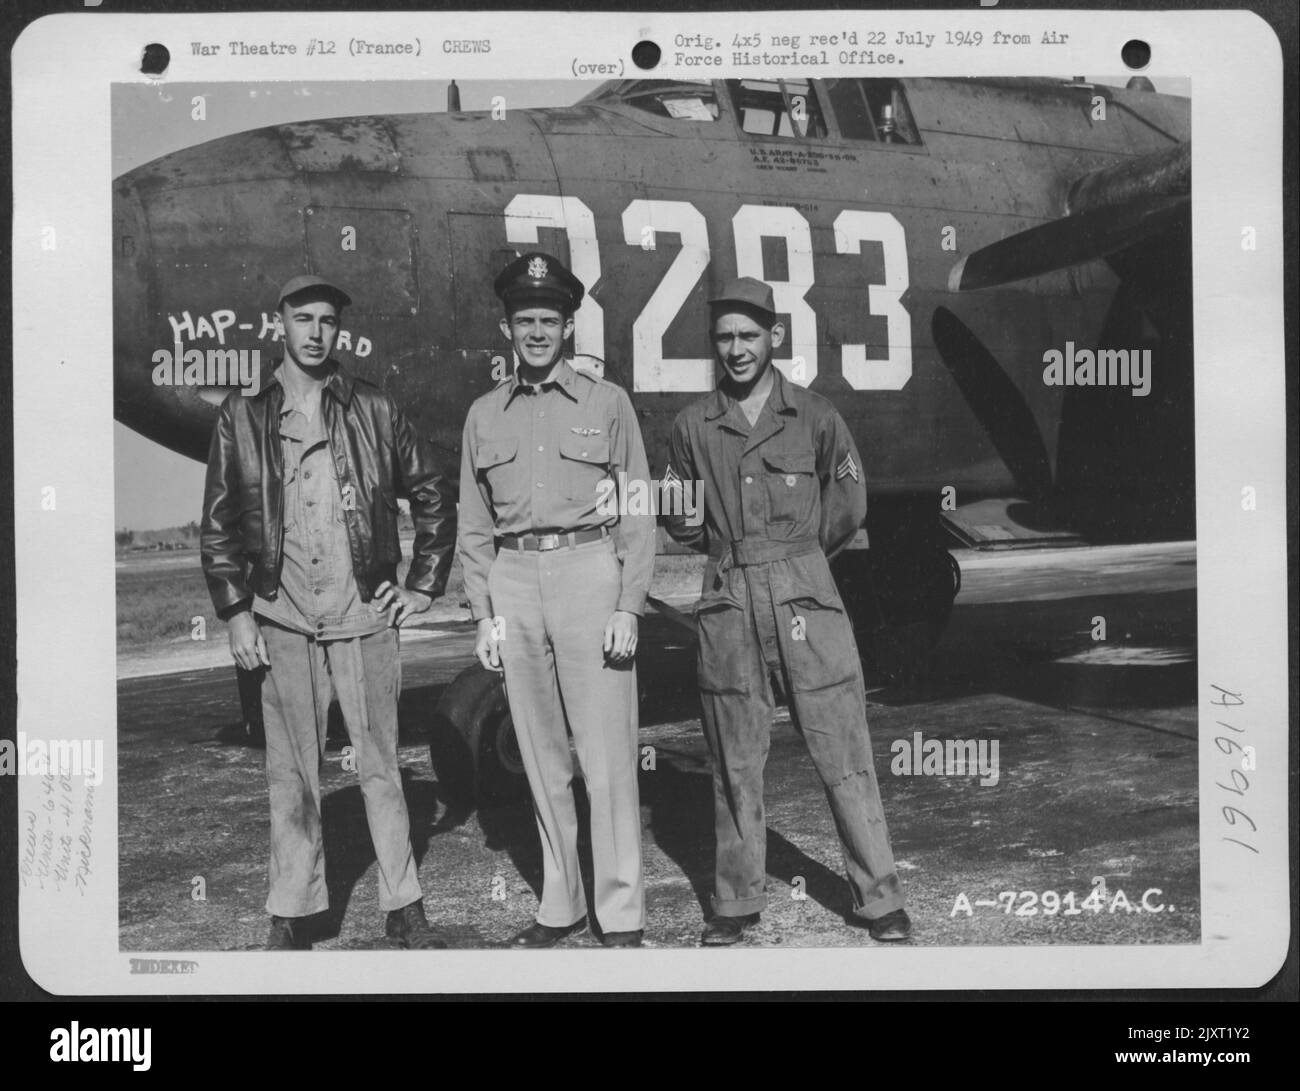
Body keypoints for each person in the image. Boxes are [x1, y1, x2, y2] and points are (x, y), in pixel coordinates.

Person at [201, 274, 457, 950]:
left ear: (339, 329)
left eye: (328, 320)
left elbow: (432, 490)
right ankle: (293, 911)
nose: (316, 331)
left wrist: (424, 584)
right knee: (290, 771)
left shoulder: (373, 407)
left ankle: (405, 905)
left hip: (363, 613)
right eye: (303, 317)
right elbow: (219, 524)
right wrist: (235, 612)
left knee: (380, 763)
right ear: (278, 323)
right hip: (280, 618)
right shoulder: (242, 414)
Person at [663, 276, 911, 946]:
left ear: (773, 336)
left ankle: (880, 897)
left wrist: (798, 555)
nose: (737, 349)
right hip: (728, 602)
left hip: (807, 597)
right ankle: (736, 902)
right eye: (724, 338)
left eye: (749, 335)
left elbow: (851, 503)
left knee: (844, 748)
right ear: (713, 345)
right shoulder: (691, 426)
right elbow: (682, 523)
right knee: (733, 760)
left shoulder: (817, 416)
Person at [457, 252, 655, 949]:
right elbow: (474, 526)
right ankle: (562, 901)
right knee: (542, 757)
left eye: (548, 320)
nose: (536, 332)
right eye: (523, 321)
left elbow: (636, 507)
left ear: (569, 325)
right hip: (514, 579)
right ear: (505, 328)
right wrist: (482, 614)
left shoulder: (608, 403)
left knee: (606, 756)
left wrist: (630, 602)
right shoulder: (484, 415)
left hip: (588, 574)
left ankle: (621, 908)